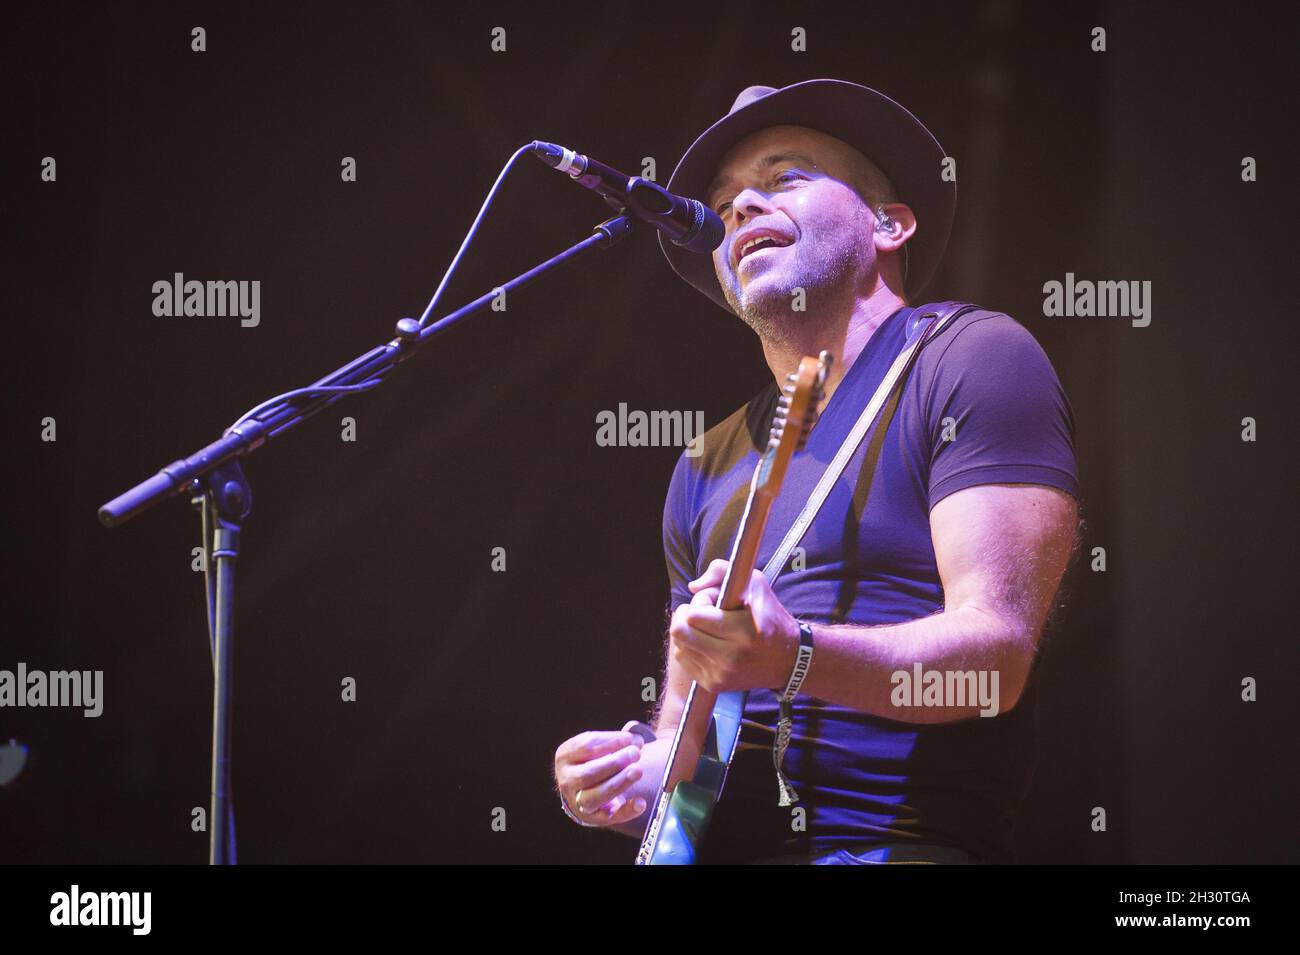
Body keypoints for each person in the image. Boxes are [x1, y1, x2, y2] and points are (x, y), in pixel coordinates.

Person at [553, 79, 1081, 864]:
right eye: (726, 202)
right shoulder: (706, 463)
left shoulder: (971, 359)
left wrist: (794, 654)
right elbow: (689, 760)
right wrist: (635, 781)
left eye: (784, 177)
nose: (738, 209)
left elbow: (994, 667)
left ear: (888, 222)